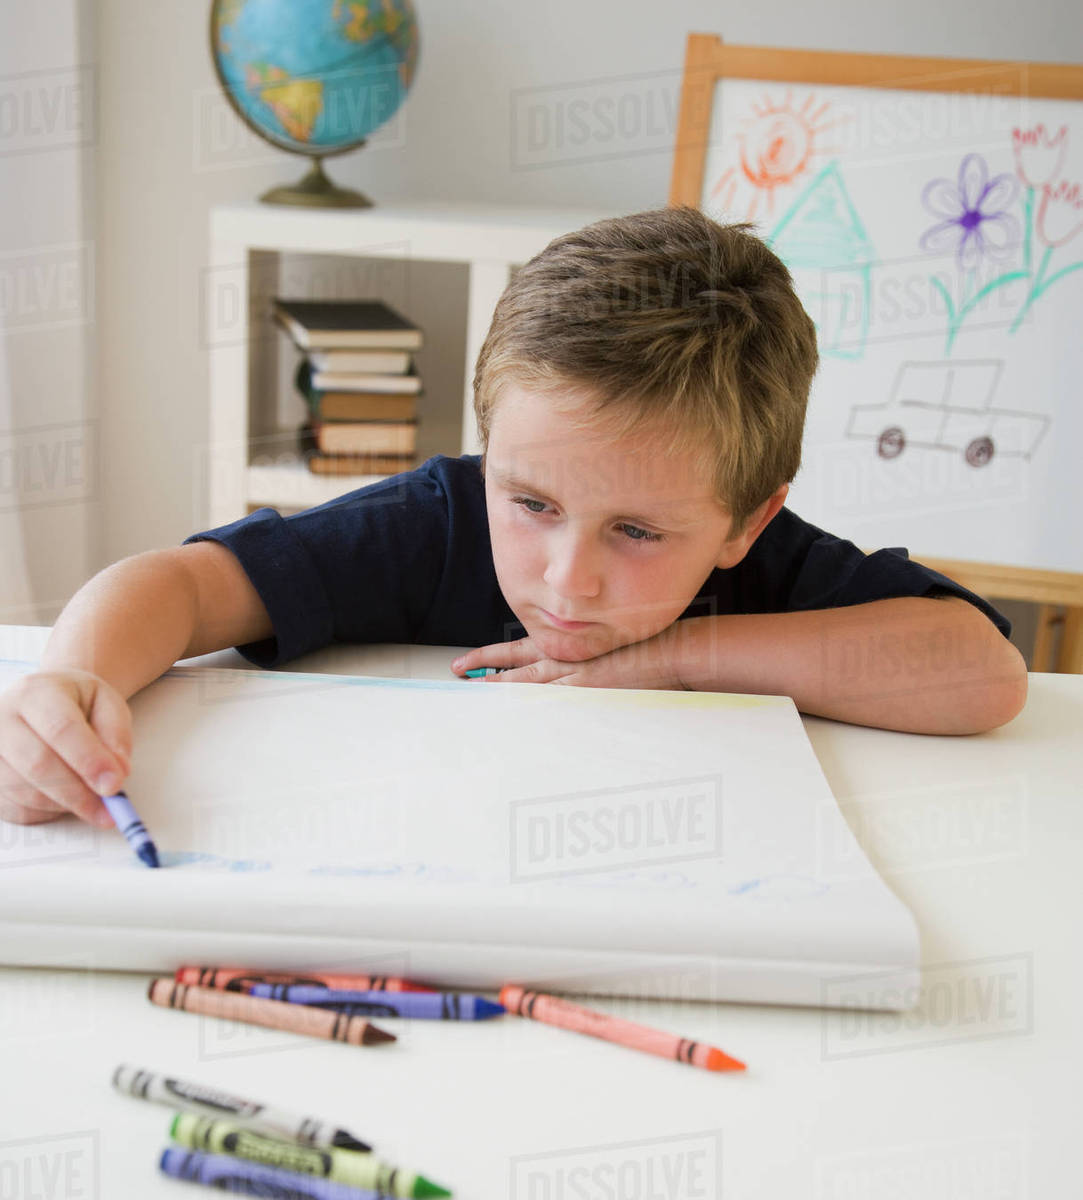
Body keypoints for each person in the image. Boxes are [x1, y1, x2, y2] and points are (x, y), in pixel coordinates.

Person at [0, 208, 1027, 829]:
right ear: (493, 452)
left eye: (637, 533)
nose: (565, 579)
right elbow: (175, 587)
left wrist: (667, 659)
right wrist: (69, 684)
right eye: (531, 503)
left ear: (745, 526)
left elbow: (983, 673)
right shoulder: (436, 521)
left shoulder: (758, 563)